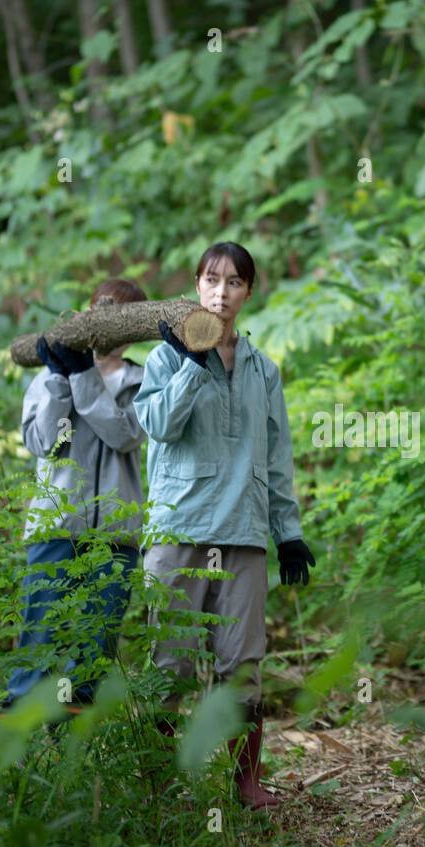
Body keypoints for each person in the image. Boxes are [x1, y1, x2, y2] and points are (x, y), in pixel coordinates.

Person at [133, 241, 316, 810]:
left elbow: (276, 456)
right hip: (179, 530)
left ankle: (246, 784)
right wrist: (190, 362)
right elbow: (157, 425)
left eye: (234, 282)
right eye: (211, 280)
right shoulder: (164, 358)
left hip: (242, 534)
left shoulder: (264, 369)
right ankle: (162, 786)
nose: (221, 292)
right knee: (171, 660)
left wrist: (287, 531)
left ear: (248, 292)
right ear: (195, 285)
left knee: (243, 666)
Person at [2, 278, 150, 713]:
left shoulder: (141, 381)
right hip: (56, 525)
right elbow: (47, 440)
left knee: (95, 641)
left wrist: (85, 377)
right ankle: (19, 729)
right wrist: (58, 377)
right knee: (41, 628)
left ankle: (73, 747)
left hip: (116, 534)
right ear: (89, 316)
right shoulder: (51, 374)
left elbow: (123, 435)